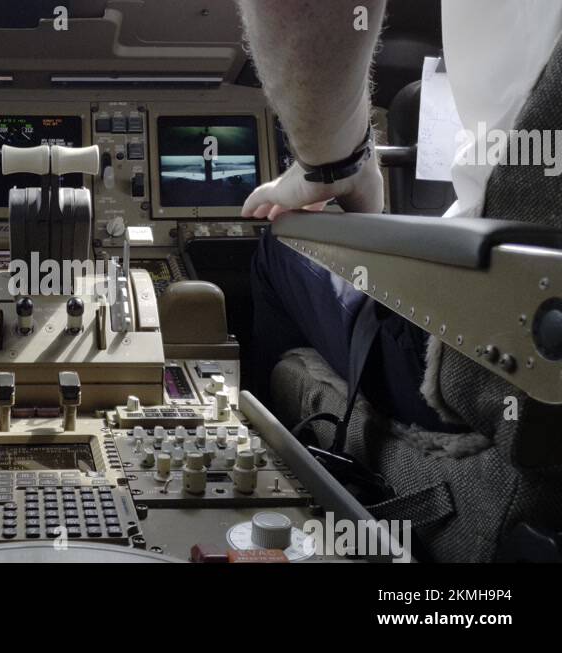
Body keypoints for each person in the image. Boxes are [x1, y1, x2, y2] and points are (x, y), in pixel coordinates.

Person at [236, 0, 562, 429]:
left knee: (279, 242)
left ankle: (267, 452)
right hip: (533, 329)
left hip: (489, 353)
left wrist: (335, 165)